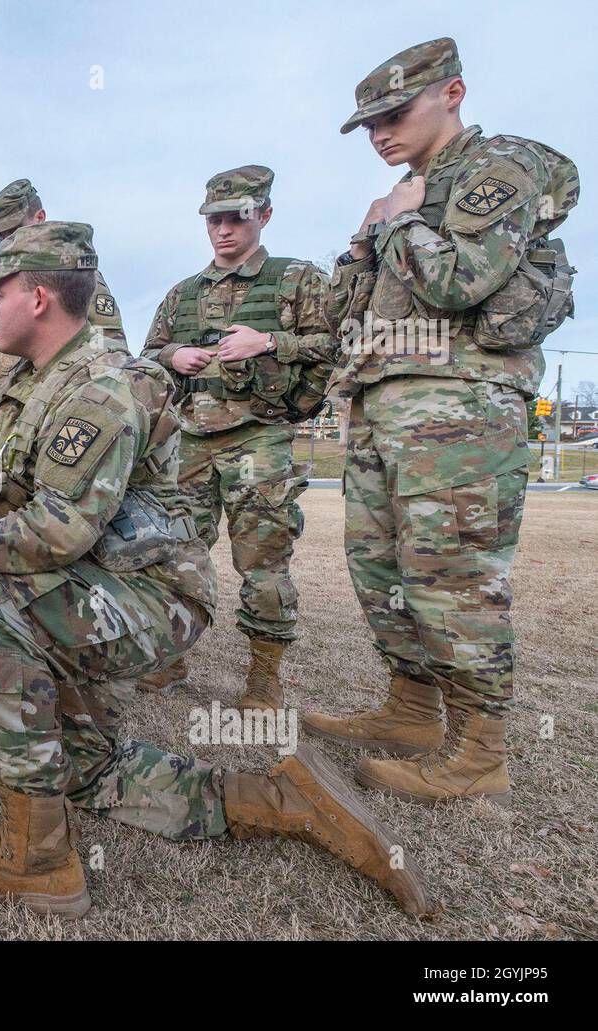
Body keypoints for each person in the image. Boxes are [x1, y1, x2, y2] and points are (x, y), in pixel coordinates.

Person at [0, 222, 431, 919]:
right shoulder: (33, 383)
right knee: (78, 765)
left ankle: (37, 859)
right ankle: (282, 801)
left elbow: (55, 531)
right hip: (94, 585)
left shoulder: (96, 391)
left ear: (40, 297)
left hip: (150, 597)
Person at [304, 37, 580, 805]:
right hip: (384, 402)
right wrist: (366, 242)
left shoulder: (500, 171)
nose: (379, 134)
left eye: (393, 114)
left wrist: (398, 222)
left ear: (452, 93)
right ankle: (412, 709)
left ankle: (481, 750)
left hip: (459, 408)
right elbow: (342, 314)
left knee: (451, 578)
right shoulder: (407, 194)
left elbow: (460, 281)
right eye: (368, 124)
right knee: (380, 572)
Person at [139, 166, 338, 701]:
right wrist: (171, 355)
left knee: (264, 562)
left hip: (258, 438)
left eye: (236, 218)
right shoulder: (183, 293)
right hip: (190, 444)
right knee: (173, 555)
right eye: (214, 220)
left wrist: (269, 342)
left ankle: (263, 680)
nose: (223, 229)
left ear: (264, 216)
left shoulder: (299, 279)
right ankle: (168, 661)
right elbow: (146, 356)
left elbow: (334, 348)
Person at [0, 179, 126, 454]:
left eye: (14, 230)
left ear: (40, 217)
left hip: (39, 426)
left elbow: (109, 355)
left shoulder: (72, 277)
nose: (8, 241)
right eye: (2, 237)